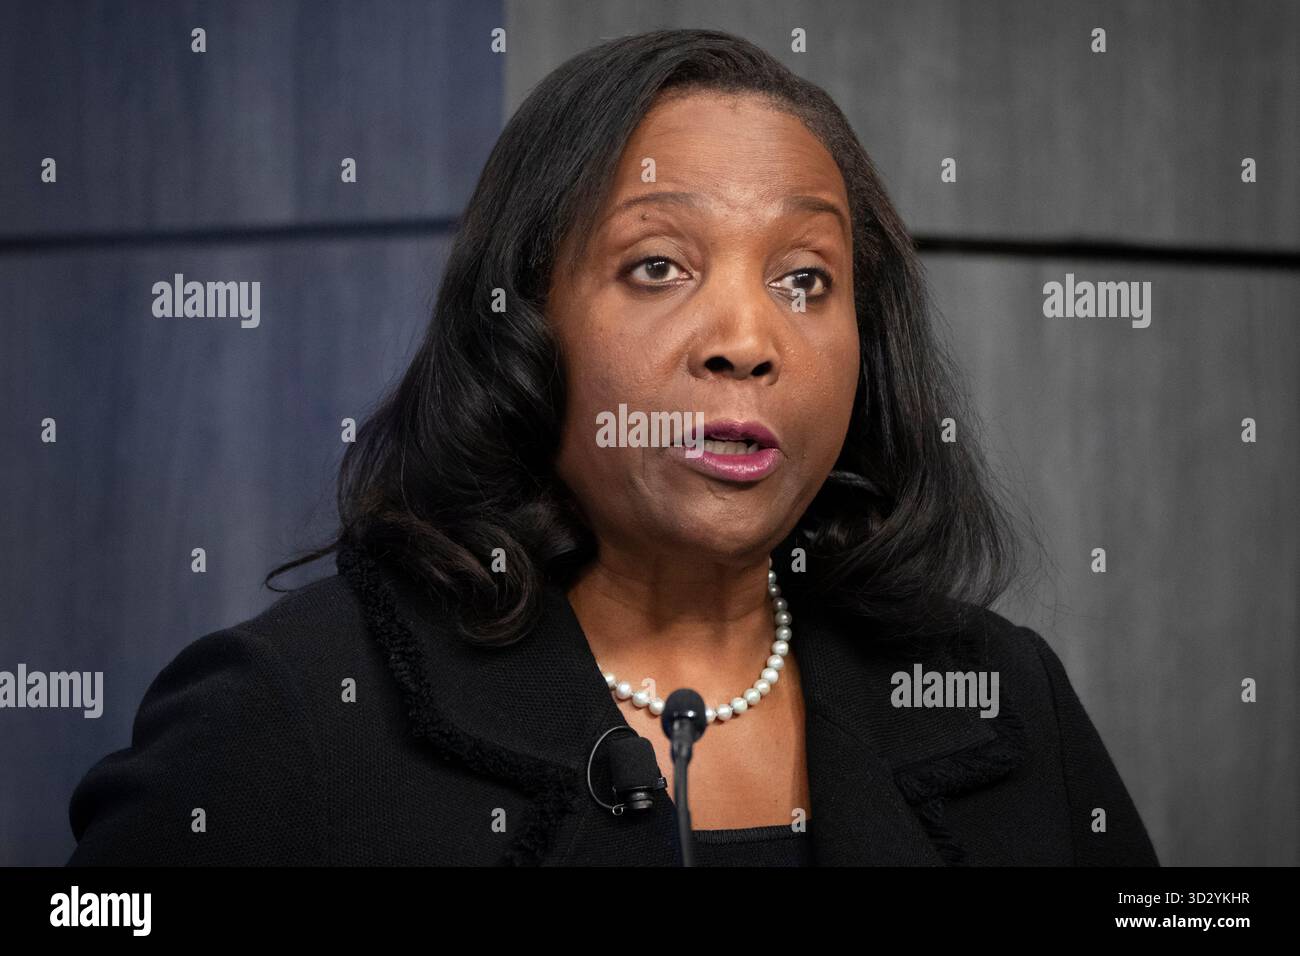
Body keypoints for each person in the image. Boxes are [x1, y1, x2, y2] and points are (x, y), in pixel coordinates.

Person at [66, 28, 1158, 866]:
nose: (745, 342)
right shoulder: (284, 710)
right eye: (657, 266)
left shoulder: (996, 692)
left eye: (804, 280)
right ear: (523, 324)